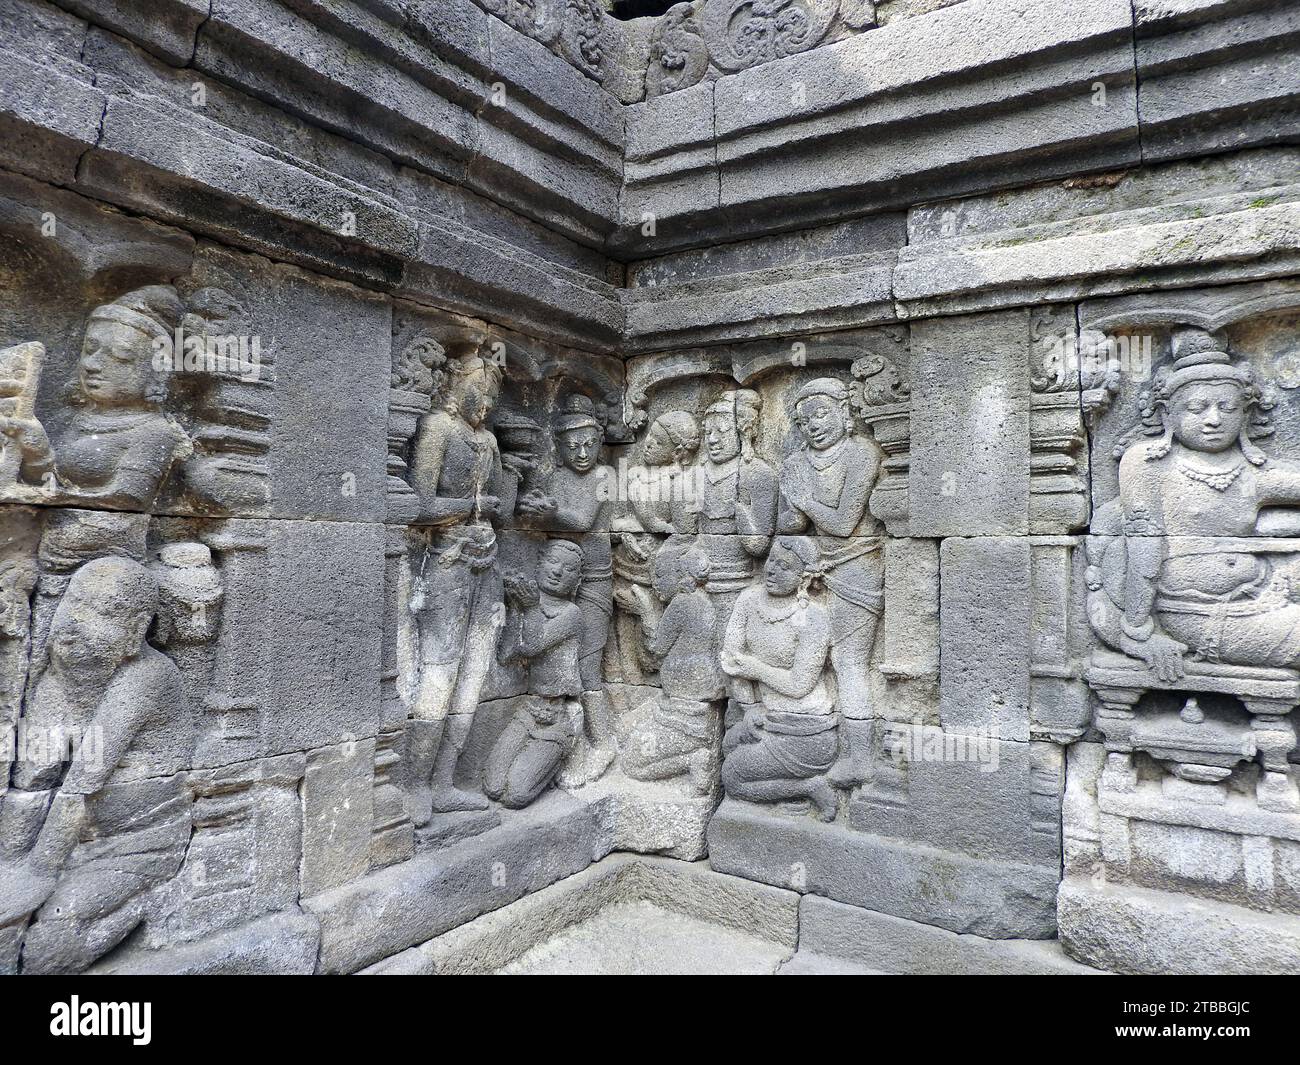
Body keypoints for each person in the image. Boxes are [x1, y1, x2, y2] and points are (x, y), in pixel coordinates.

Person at [0, 557, 192, 974]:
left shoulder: (146, 679)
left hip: (138, 843)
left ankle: (147, 905)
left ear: (137, 628)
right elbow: (33, 782)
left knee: (47, 948)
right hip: (69, 837)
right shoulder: (62, 677)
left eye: (101, 613)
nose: (74, 625)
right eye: (74, 604)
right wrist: (10, 859)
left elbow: (79, 788)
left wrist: (36, 875)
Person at [1102, 331, 1300, 679]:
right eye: (1197, 408)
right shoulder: (1148, 464)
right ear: (1167, 415)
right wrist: (1138, 633)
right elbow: (1143, 552)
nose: (1213, 419)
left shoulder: (1253, 469)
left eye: (1227, 408)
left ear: (1246, 413)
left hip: (1265, 590)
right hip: (1194, 612)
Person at [407, 346, 516, 819]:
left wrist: (507, 488)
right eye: (479, 389)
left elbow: (503, 508)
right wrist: (475, 509)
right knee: (439, 670)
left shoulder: (489, 442)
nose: (486, 402)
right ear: (454, 385)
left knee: (475, 670)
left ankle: (446, 781)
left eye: (493, 393)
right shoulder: (438, 429)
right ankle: (414, 784)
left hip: (485, 560)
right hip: (447, 559)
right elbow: (418, 507)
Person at [778, 377, 884, 782]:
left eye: (822, 414)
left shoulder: (861, 453)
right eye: (804, 423)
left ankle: (860, 757)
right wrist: (788, 505)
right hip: (812, 568)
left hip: (856, 565)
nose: (814, 427)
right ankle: (811, 743)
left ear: (844, 412)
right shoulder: (798, 462)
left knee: (848, 661)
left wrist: (803, 498)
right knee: (806, 655)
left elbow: (842, 522)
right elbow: (792, 524)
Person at [720, 537, 838, 821]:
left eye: (784, 566)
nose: (772, 570)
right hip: (766, 717)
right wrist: (749, 709)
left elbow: (799, 685)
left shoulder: (814, 617)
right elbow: (731, 658)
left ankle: (809, 788)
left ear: (803, 578)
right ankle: (791, 795)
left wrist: (755, 669)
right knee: (728, 745)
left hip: (807, 730)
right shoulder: (748, 600)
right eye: (771, 560)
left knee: (732, 777)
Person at [486, 541, 586, 808]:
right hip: (528, 711)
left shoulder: (571, 614)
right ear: (539, 563)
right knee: (492, 787)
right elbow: (507, 655)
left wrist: (529, 608)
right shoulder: (528, 605)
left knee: (516, 795)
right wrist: (512, 604)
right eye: (553, 562)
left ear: (577, 580)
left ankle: (558, 760)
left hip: (555, 719)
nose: (557, 572)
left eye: (568, 569)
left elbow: (534, 644)